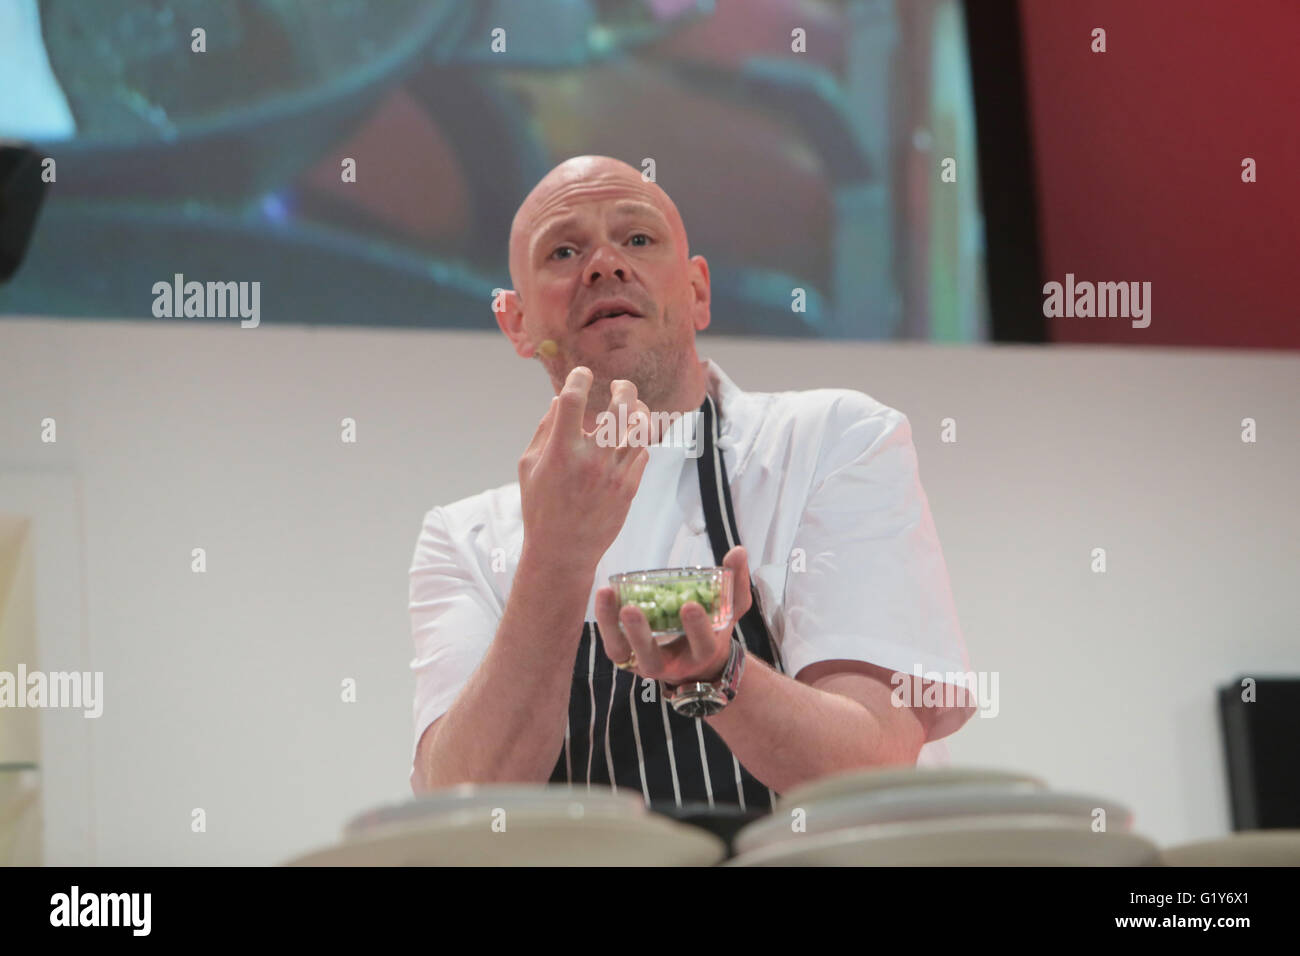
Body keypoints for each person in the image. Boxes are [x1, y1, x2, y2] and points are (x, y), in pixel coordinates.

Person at [408, 155, 974, 810]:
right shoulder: (467, 541)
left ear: (698, 291)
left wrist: (719, 674)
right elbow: (461, 808)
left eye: (638, 240)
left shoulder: (831, 442)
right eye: (564, 251)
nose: (605, 265)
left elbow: (870, 761)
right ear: (517, 324)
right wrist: (555, 561)